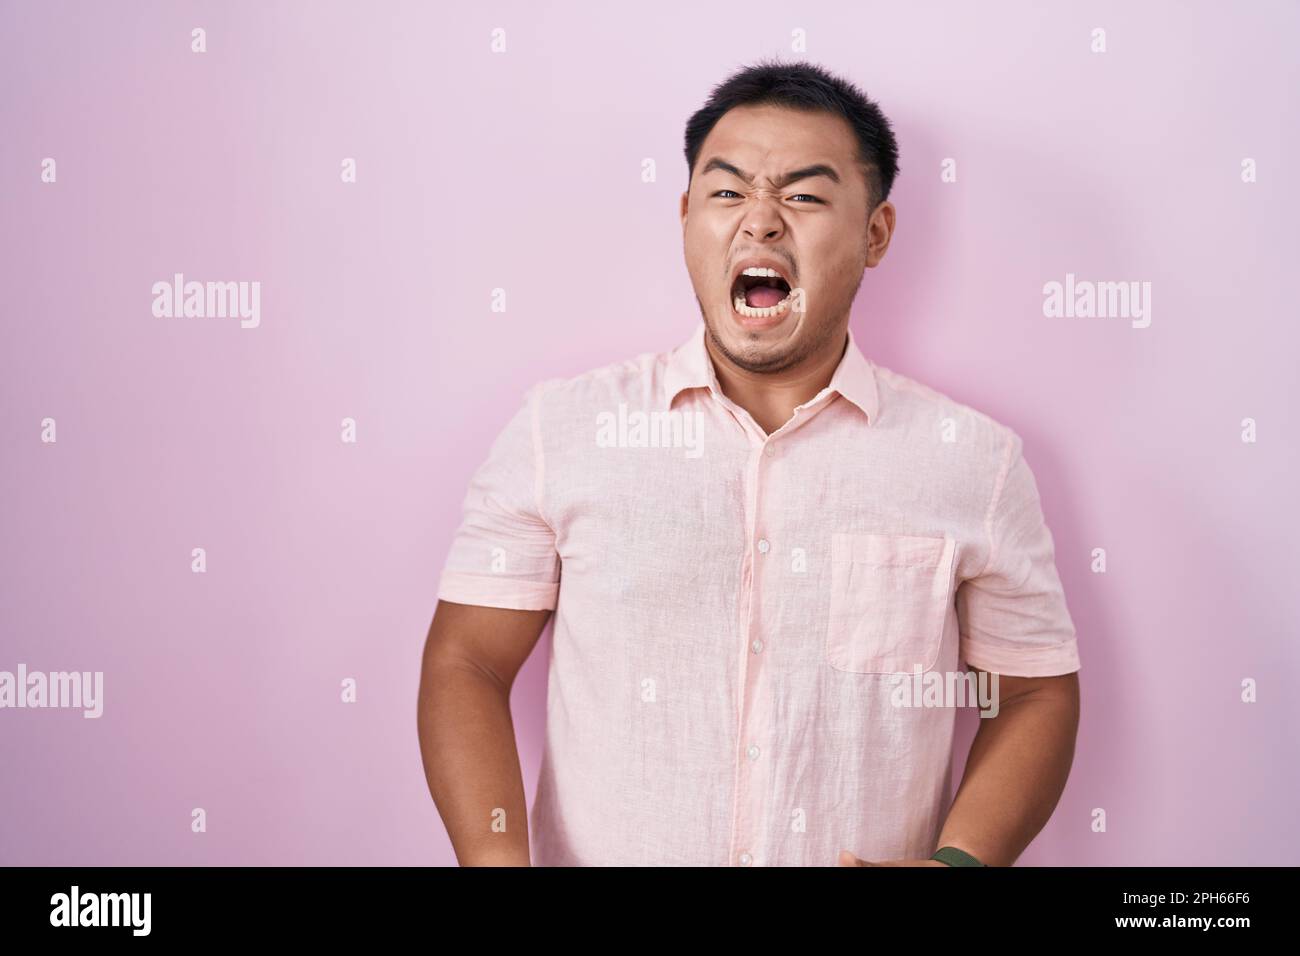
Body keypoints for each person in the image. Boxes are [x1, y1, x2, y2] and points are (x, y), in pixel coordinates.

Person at [418, 58, 1081, 867]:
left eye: (803, 195)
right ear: (687, 212)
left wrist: (961, 864)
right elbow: (468, 661)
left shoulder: (974, 463)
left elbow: (1033, 692)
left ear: (875, 234)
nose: (759, 222)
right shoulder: (562, 431)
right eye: (727, 192)